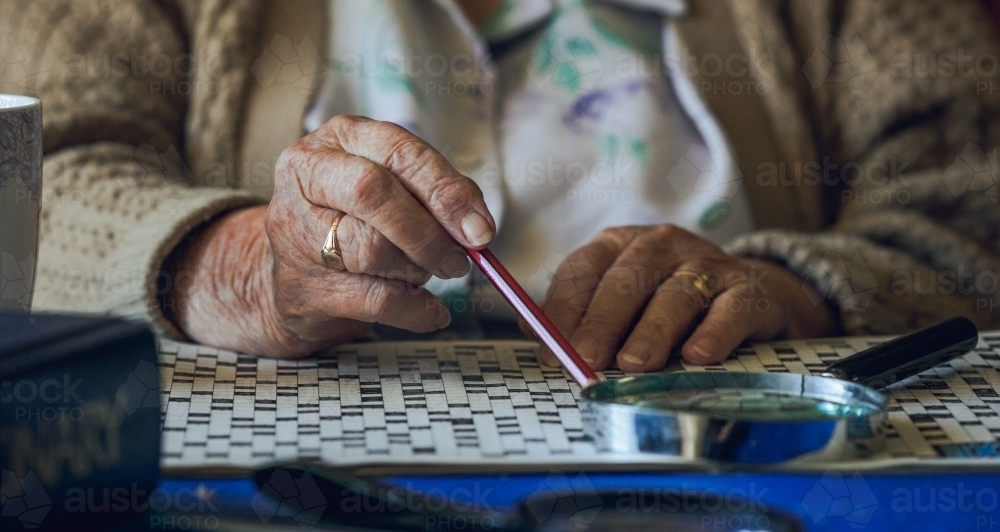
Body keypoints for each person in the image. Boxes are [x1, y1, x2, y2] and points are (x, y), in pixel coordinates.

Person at [5, 0, 998, 371]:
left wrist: (786, 286)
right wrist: (240, 268)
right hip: (288, 494)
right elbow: (38, 169)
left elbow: (973, 201)